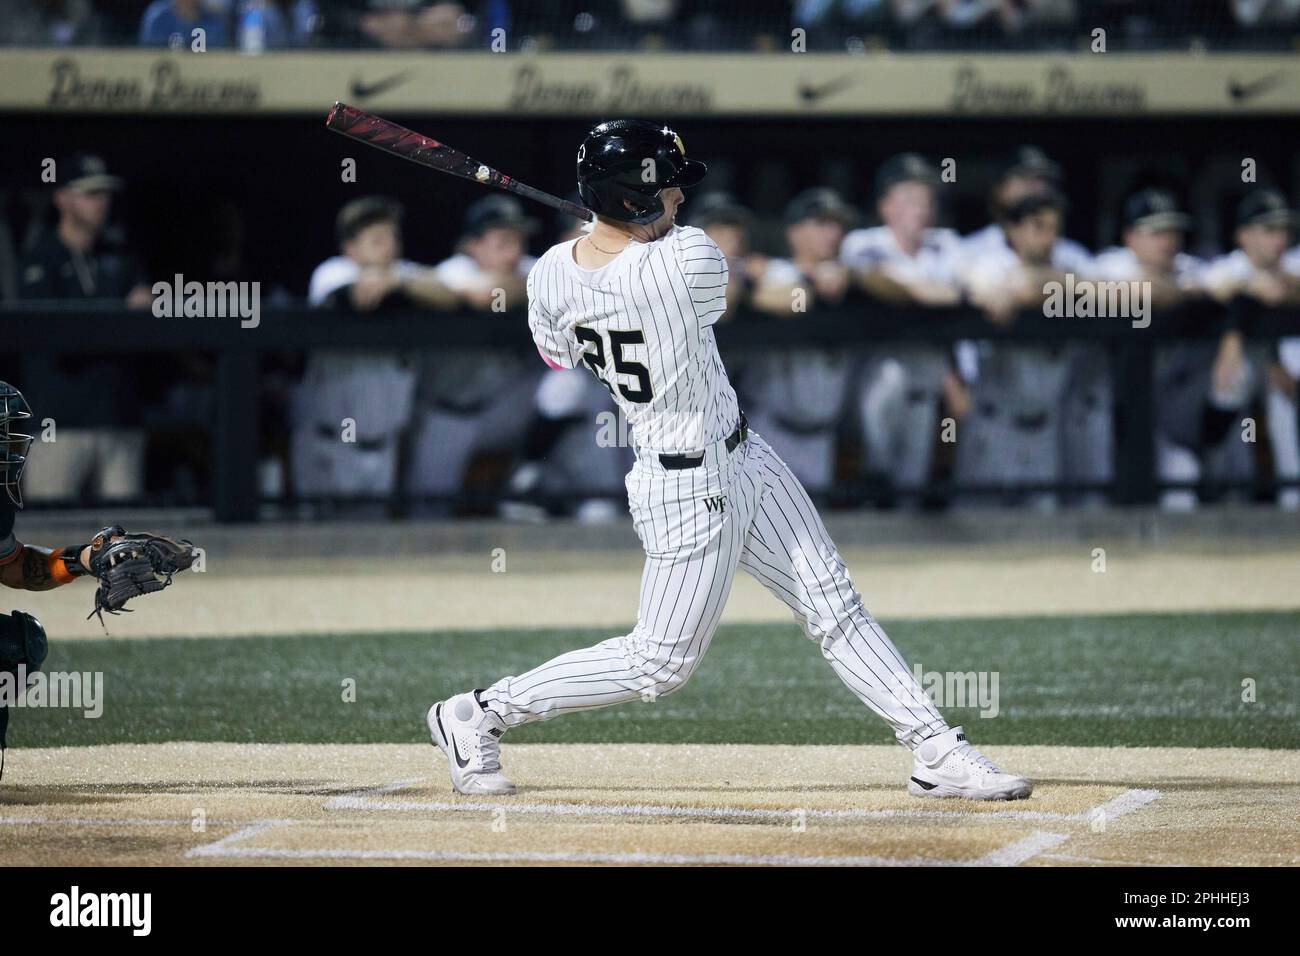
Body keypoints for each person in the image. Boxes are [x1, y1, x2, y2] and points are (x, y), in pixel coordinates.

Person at [426, 119, 1032, 802]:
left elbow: (557, 354)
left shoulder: (547, 276)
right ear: (633, 199)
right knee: (658, 665)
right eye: (669, 189)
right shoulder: (687, 260)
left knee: (836, 605)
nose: (682, 198)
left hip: (746, 455)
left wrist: (597, 250)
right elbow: (692, 279)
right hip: (685, 484)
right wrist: (624, 244)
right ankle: (479, 712)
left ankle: (936, 749)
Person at [294, 196, 453, 504]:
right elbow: (359, 294)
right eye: (377, 240)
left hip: (384, 450)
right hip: (329, 444)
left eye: (393, 237)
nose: (390, 247)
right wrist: (400, 283)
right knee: (320, 534)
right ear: (351, 249)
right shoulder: (333, 271)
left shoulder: (401, 276)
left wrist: (400, 283)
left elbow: (448, 292)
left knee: (371, 533)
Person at [17, 154, 152, 505]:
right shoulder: (41, 258)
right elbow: (52, 336)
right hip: (59, 425)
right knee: (52, 531)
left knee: (123, 533)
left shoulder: (121, 257)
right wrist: (122, 314)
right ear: (62, 198)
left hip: (118, 419)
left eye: (105, 193)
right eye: (90, 193)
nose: (101, 202)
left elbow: (149, 320)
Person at [841, 153, 968, 502]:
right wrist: (929, 292)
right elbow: (879, 282)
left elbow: (972, 285)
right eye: (910, 198)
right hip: (874, 380)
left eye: (926, 199)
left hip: (925, 384)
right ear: (886, 207)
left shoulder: (945, 243)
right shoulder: (864, 242)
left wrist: (952, 378)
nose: (921, 209)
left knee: (911, 490)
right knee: (876, 480)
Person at [405, 195, 541, 512]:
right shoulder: (454, 270)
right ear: (472, 245)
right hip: (446, 414)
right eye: (504, 242)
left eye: (519, 241)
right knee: (427, 514)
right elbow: (484, 294)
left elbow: (556, 277)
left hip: (501, 409)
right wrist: (524, 286)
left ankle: (529, 480)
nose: (515, 252)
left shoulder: (524, 268)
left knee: (570, 389)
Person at [741, 188, 859, 495]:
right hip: (771, 430)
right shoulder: (776, 273)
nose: (834, 233)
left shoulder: (851, 279)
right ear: (794, 232)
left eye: (838, 225)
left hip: (823, 438)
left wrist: (848, 276)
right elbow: (765, 292)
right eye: (822, 223)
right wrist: (810, 282)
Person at [1200, 189, 1300, 509]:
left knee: (1285, 424)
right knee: (1232, 385)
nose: (1279, 238)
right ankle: (1220, 497)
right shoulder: (1228, 267)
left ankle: (1292, 504)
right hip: (1229, 375)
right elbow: (1209, 288)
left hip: (1281, 375)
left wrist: (1286, 287)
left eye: (1283, 229)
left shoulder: (1293, 265)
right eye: (1269, 229)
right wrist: (1249, 290)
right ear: (1243, 235)